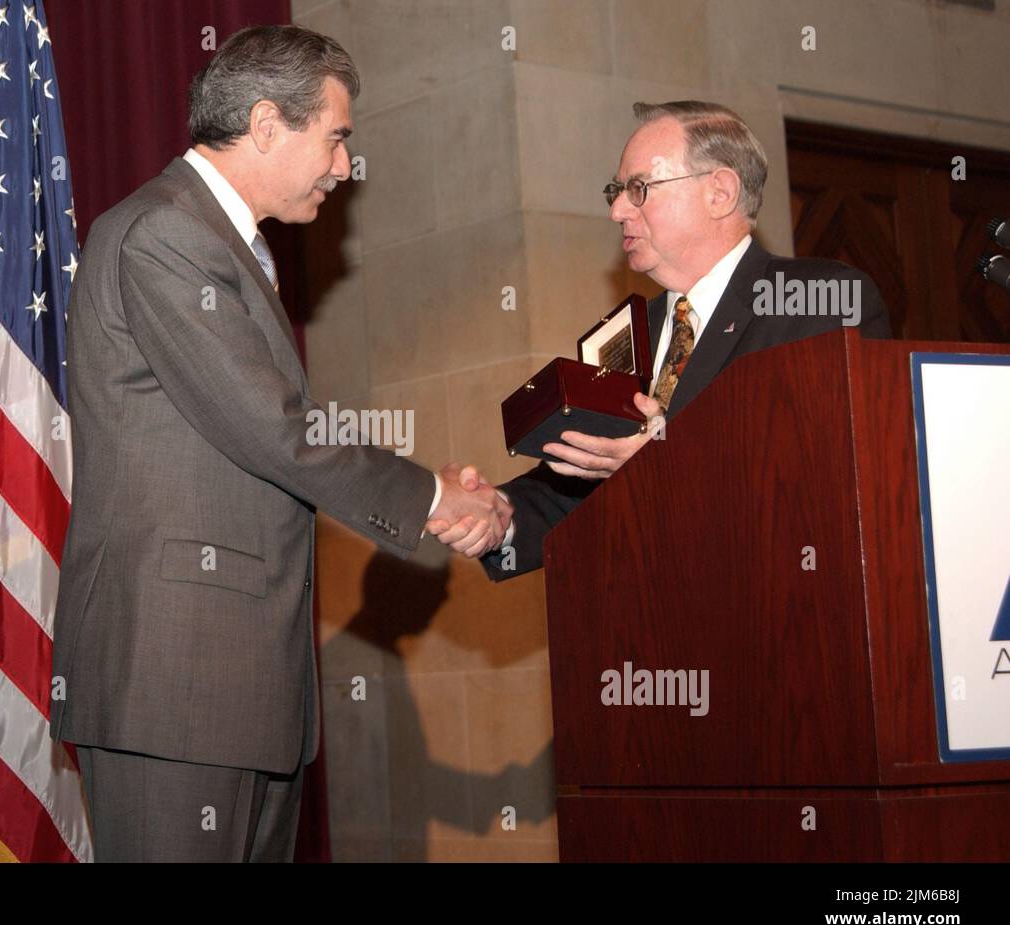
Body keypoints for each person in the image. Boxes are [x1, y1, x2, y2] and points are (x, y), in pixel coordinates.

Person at [49, 25, 511, 862]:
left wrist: (426, 484)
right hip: (174, 684)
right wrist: (435, 500)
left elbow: (269, 432)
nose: (344, 166)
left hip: (239, 694)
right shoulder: (162, 233)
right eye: (335, 137)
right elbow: (272, 429)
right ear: (267, 124)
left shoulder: (227, 245)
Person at [428, 100, 891, 576]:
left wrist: (668, 463)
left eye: (637, 188)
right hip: (646, 629)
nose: (616, 210)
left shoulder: (818, 300)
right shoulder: (630, 334)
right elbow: (583, 480)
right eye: (616, 190)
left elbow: (836, 469)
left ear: (720, 192)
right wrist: (501, 516)